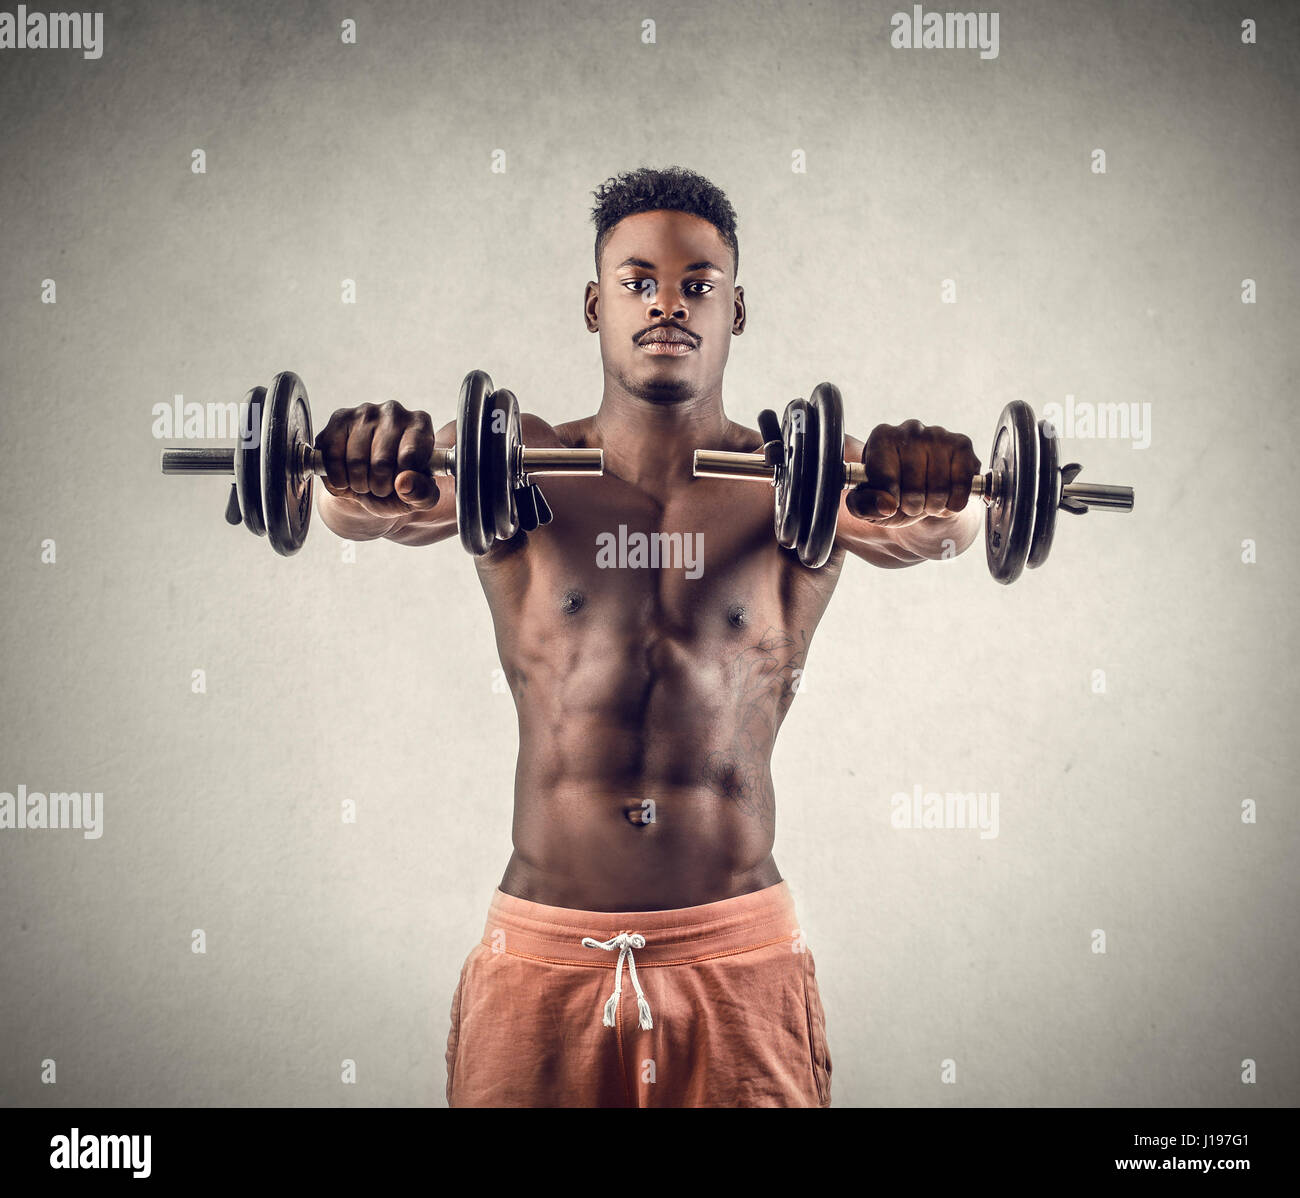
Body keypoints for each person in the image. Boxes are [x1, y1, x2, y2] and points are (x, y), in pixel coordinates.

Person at [315, 166, 983, 1107]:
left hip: (736, 957)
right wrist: (358, 464)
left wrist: (936, 480)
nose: (666, 305)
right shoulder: (518, 468)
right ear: (595, 304)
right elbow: (367, 515)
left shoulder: (799, 482)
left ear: (736, 310)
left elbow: (939, 534)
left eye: (697, 286)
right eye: (638, 282)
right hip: (545, 956)